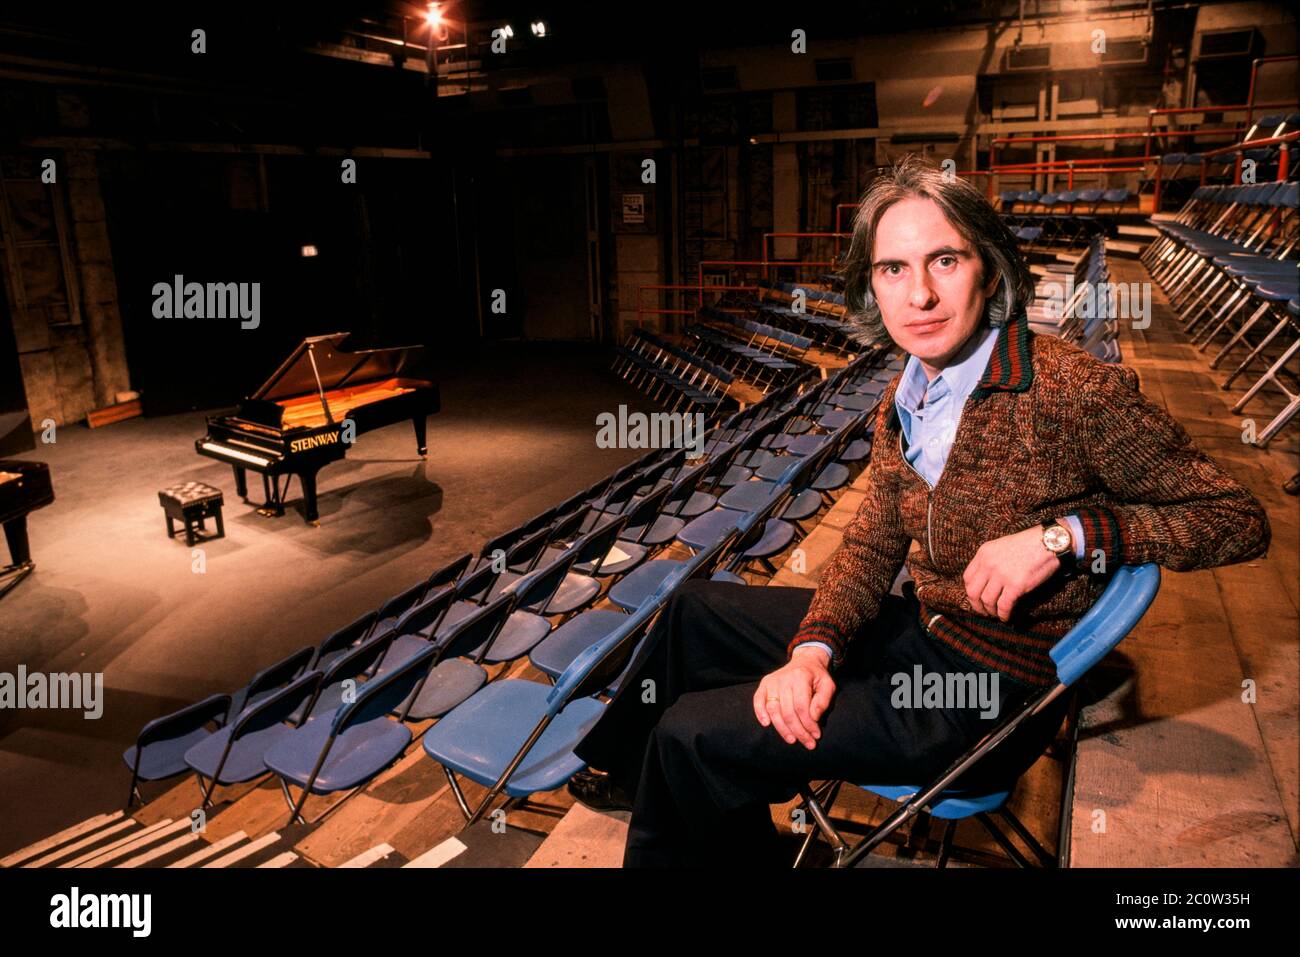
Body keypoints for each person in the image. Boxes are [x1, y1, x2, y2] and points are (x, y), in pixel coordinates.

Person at [570, 155, 1272, 867]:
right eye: (893, 269)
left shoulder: (1071, 391)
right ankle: (634, 779)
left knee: (690, 733)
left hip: (984, 687)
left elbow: (1235, 517)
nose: (922, 295)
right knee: (696, 611)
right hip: (925, 628)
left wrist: (1065, 536)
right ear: (872, 286)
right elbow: (873, 545)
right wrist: (816, 648)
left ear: (990, 270)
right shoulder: (905, 394)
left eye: (945, 260)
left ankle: (684, 796)